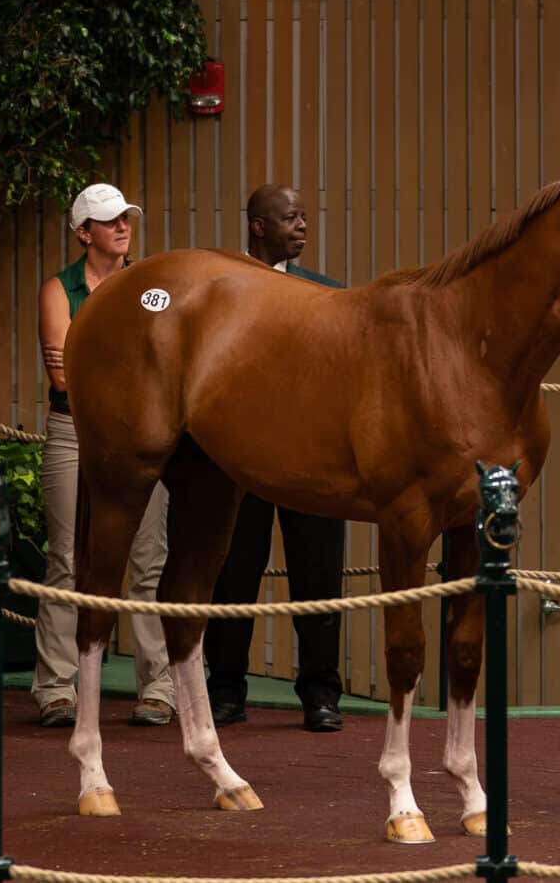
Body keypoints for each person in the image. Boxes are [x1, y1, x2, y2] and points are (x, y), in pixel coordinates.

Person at [31, 183, 177, 728]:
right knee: (66, 558)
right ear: (83, 232)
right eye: (109, 219)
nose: (122, 226)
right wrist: (135, 377)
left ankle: (158, 687)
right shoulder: (58, 288)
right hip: (74, 431)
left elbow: (167, 365)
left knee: (148, 560)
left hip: (143, 439)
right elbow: (63, 376)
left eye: (126, 218)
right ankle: (54, 689)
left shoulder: (152, 288)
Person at [204, 183, 347, 732]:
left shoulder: (328, 295)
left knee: (319, 579)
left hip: (313, 462)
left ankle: (321, 695)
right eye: (290, 218)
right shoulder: (221, 290)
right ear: (258, 226)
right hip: (240, 461)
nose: (302, 226)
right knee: (232, 577)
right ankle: (226, 691)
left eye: (305, 217)